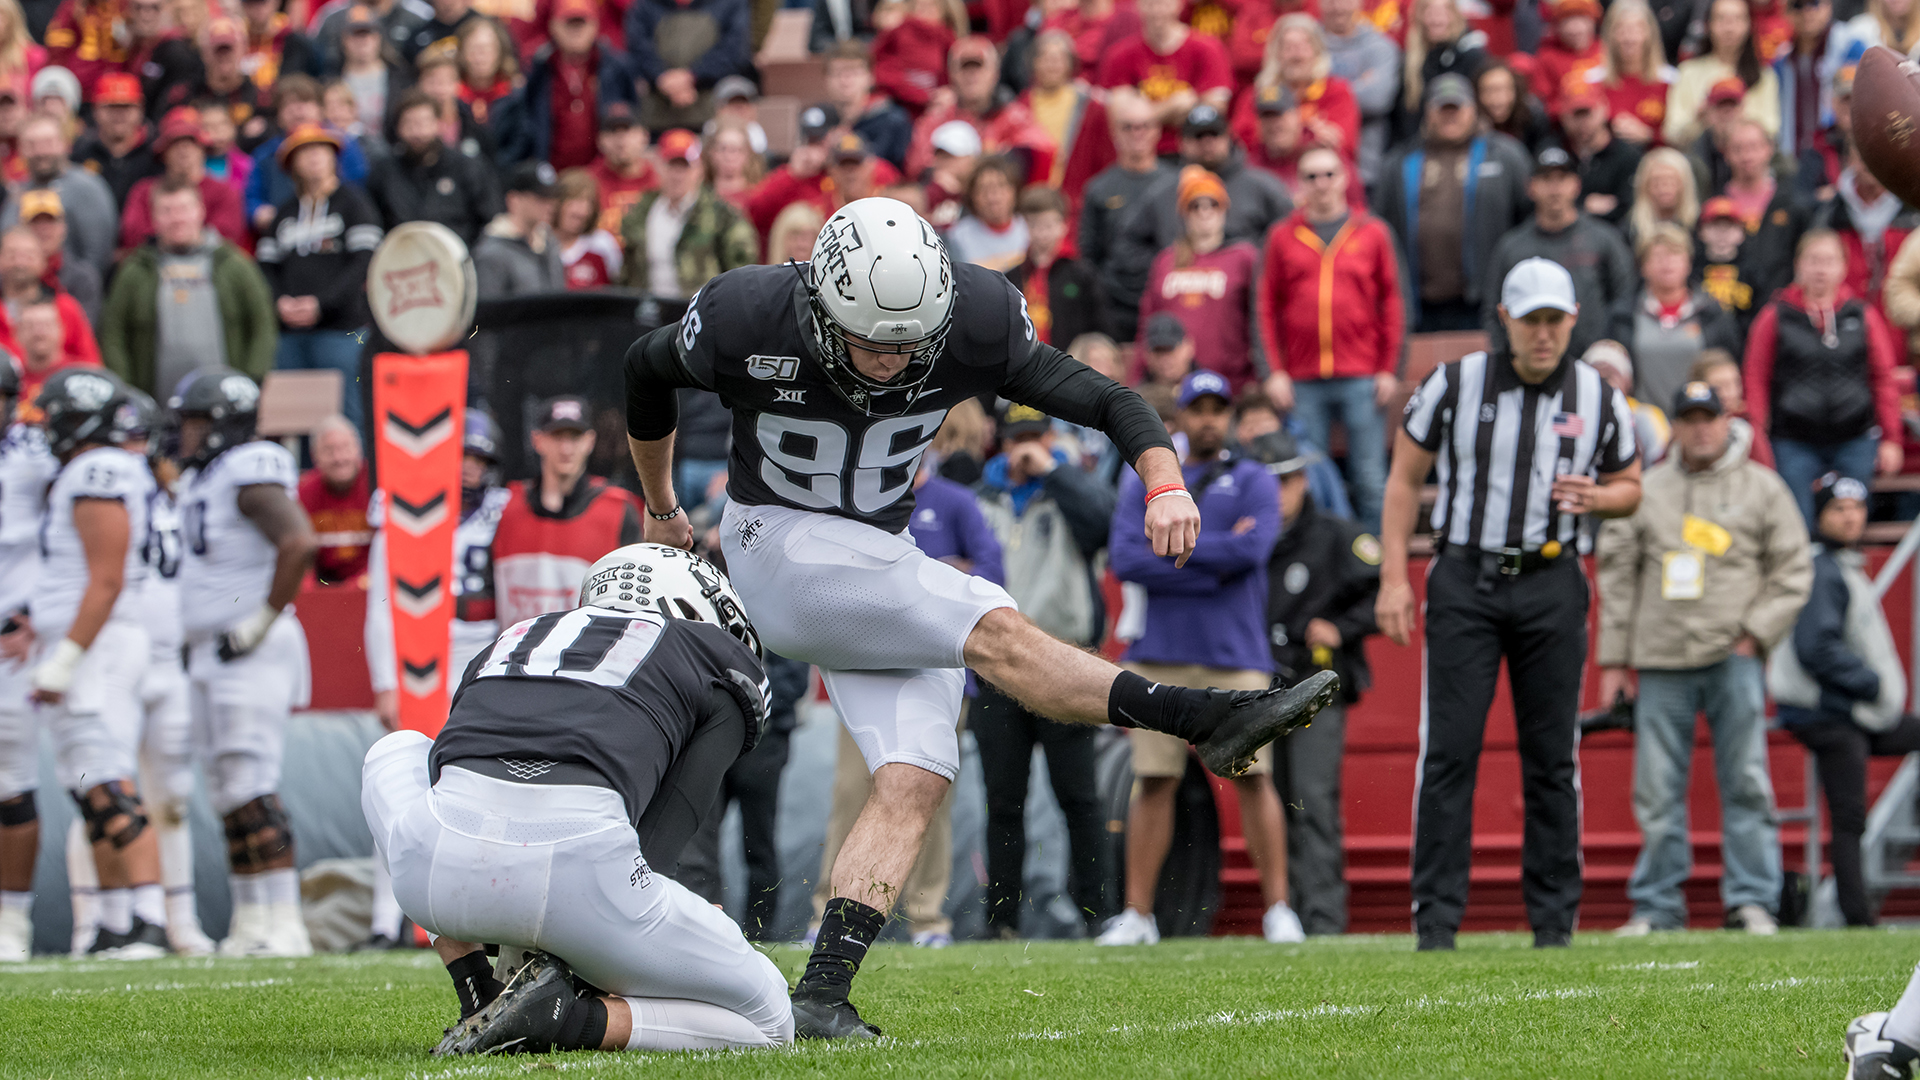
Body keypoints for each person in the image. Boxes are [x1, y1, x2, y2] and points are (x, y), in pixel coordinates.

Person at [622, 196, 1337, 1036]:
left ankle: (821, 996)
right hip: (776, 543)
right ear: (819, 305)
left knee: (918, 773)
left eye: (908, 344)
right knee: (989, 622)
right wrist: (663, 505)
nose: (890, 361)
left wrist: (1165, 479)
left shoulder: (978, 315)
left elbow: (1111, 400)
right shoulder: (749, 311)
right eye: (870, 341)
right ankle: (1203, 718)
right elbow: (645, 368)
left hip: (875, 561)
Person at [365, 544, 792, 1055]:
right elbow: (660, 842)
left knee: (394, 749)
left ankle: (478, 988)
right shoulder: (715, 655)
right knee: (771, 1020)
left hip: (435, 871)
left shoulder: (516, 634)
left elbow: (451, 767)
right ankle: (563, 1019)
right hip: (583, 869)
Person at [1381, 258, 1643, 950]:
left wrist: (1600, 498)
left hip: (1554, 582)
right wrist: (1392, 578)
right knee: (1450, 752)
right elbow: (1404, 479)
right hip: (1465, 578)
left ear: (1573, 319)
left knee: (1552, 756)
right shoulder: (1455, 383)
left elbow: (1631, 485)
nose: (1545, 334)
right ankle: (1436, 921)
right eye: (1532, 321)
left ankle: (1554, 923)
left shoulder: (1597, 395)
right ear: (1506, 320)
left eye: (1556, 320)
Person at [1597, 379, 1810, 936]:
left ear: (1726, 420)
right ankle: (1657, 906)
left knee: (1745, 780)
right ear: (1676, 426)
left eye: (1707, 417)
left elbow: (1793, 569)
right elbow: (1617, 576)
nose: (1699, 428)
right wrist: (1614, 662)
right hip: (1660, 657)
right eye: (1688, 418)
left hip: (1731, 655)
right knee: (1656, 788)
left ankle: (1752, 901)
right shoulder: (1645, 489)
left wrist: (1756, 634)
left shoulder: (1761, 487)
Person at [1102, 368, 1301, 947]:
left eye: (1219, 408)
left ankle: (1279, 909)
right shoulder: (1149, 477)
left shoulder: (1257, 478)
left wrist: (1174, 556)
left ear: (1231, 416)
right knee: (1153, 780)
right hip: (1161, 654)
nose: (1209, 418)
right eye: (1199, 408)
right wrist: (1213, 561)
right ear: (1182, 417)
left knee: (1254, 779)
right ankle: (1139, 914)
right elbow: (1125, 558)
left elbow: (1253, 550)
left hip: (1234, 653)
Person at [21, 369, 172, 958]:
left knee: (109, 779)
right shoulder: (95, 469)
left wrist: (65, 657)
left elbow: (106, 579)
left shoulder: (96, 469)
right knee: (88, 787)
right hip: (94, 642)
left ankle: (150, 917)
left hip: (100, 647)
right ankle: (115, 921)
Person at [170, 367, 319, 957]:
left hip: (248, 645)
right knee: (228, 789)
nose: (185, 433)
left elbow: (299, 541)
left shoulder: (248, 466)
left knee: (253, 783)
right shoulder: (206, 476)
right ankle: (251, 919)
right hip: (214, 648)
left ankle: (284, 919)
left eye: (195, 421)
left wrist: (258, 620)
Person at [972, 403, 1115, 939]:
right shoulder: (982, 499)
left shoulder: (1072, 489)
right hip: (997, 667)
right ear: (1002, 443)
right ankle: (1000, 922)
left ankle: (1102, 915)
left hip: (1063, 661)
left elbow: (1107, 521)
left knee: (1078, 796)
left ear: (1052, 439)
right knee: (1003, 801)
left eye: (1036, 438)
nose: (1025, 449)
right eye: (1017, 439)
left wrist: (1055, 470)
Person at [1777, 474, 1918, 934]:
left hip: (1849, 711)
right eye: (1838, 509)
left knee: (1850, 813)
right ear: (1819, 516)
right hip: (1833, 713)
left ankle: (1856, 910)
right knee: (1849, 814)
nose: (1851, 516)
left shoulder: (1839, 565)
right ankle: (1857, 917)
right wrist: (1871, 684)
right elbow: (1815, 648)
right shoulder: (1823, 569)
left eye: (1857, 509)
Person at [1253, 429, 1379, 937]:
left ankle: (1324, 919)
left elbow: (1381, 594)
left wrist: (1341, 628)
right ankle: (1287, 915)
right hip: (1259, 690)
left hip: (1317, 687)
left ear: (1303, 481)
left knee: (1311, 801)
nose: (1278, 493)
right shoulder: (1246, 539)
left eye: (1287, 481)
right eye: (1269, 484)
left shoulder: (1337, 536)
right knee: (1275, 802)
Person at [1258, 146, 1401, 531]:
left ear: (1344, 178)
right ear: (1299, 184)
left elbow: (1394, 303)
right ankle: (1329, 570)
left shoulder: (1373, 232)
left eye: (1328, 175)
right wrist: (1274, 370)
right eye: (1311, 176)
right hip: (1302, 379)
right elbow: (1265, 307)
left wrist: (1389, 368)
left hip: (1362, 374)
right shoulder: (1282, 236)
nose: (1321, 184)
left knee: (1370, 479)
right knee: (1314, 481)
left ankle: (1373, 568)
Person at [1744, 229, 1904, 525]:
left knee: (1847, 522)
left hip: (1854, 437)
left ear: (1843, 267)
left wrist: (1891, 438)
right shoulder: (1775, 315)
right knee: (1796, 521)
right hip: (1793, 439)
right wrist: (1758, 435)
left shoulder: (1862, 314)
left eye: (1829, 261)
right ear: (1798, 265)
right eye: (1813, 260)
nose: (1820, 269)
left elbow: (1883, 378)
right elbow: (1756, 379)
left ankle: (1844, 570)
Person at [1373, 73, 1534, 334]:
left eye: (1457, 108)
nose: (1450, 117)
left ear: (1473, 110)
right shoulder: (1400, 162)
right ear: (1428, 112)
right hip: (1419, 303)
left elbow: (1529, 222)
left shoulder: (1505, 155)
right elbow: (1381, 227)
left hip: (1485, 301)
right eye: (1442, 109)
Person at [255, 124, 380, 435]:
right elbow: (266, 269)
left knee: (347, 419)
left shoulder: (355, 204)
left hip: (342, 331)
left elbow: (364, 263)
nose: (313, 157)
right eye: (304, 152)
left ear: (333, 158)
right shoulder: (284, 214)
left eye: (320, 150)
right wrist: (279, 302)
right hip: (290, 336)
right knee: (293, 423)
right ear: (290, 164)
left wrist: (321, 304)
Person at [100, 183, 277, 401]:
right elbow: (113, 332)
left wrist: (251, 379)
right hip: (153, 404)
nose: (177, 218)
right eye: (166, 211)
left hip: (225, 403)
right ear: (154, 218)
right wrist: (126, 390)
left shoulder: (234, 264)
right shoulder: (135, 270)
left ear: (200, 211)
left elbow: (262, 324)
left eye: (184, 209)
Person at [492, 395, 642, 628]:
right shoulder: (505, 507)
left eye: (574, 437)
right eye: (557, 436)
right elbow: (486, 596)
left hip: (587, 659)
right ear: (537, 440)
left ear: (590, 441)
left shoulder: (619, 510)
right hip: (512, 656)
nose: (566, 448)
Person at [1483, 146, 1640, 359]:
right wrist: (1508, 359)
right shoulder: (1511, 247)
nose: (1555, 188)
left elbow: (1624, 299)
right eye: (1546, 179)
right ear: (1531, 187)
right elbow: (1493, 312)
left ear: (1576, 185)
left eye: (1562, 179)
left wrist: (1613, 351)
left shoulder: (1604, 239)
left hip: (1594, 361)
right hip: (1529, 364)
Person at [0, 358, 54, 962]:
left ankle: (10, 923)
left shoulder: (36, 455)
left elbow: (70, 537)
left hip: (11, 638)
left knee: (11, 784)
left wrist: (38, 615)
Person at [1135, 167, 1267, 397]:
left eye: (1212, 204)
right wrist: (1137, 378)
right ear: (1184, 213)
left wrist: (1260, 375)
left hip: (1232, 383)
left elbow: (1261, 319)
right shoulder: (1166, 261)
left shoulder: (1244, 258)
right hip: (1170, 387)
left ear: (1224, 210)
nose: (1204, 212)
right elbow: (1147, 322)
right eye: (1195, 205)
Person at [1605, 223, 1742, 412]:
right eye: (1658, 256)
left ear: (1689, 263)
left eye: (1675, 254)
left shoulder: (1712, 313)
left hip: (1700, 421)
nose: (1667, 263)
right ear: (1642, 266)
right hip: (1642, 422)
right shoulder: (1623, 315)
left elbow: (1730, 368)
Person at [1079, 89, 1176, 342]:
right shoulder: (1098, 188)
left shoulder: (1177, 184)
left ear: (1157, 131)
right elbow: (1089, 254)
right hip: (1114, 306)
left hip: (1167, 302)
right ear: (1114, 133)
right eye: (1128, 127)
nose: (1137, 133)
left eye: (1144, 126)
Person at [492, 0, 637, 170]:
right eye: (569, 23)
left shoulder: (617, 68)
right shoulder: (536, 69)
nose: (576, 31)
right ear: (553, 26)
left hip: (602, 174)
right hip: (550, 173)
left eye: (581, 23)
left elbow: (634, 117)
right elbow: (524, 122)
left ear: (595, 25)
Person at [616, 129, 757, 299]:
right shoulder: (640, 213)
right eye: (671, 165)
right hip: (649, 312)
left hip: (701, 314)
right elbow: (626, 273)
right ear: (658, 167)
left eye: (684, 167)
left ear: (699, 170)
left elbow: (743, 271)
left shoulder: (723, 215)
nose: (677, 175)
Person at [903, 35, 1056, 185]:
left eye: (978, 67)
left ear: (995, 73)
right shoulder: (937, 119)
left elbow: (1043, 149)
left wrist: (977, 166)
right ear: (952, 75)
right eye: (964, 68)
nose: (972, 76)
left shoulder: (1014, 116)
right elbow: (916, 165)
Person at [1094, 0, 1230, 157]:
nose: (1157, 10)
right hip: (1143, 157)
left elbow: (1213, 112)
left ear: (1179, 4)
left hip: (1193, 155)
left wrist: (1144, 111)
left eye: (1164, 3)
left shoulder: (1208, 49)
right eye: (1150, 3)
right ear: (1138, 5)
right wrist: (1173, 106)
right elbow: (1120, 121)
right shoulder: (1119, 56)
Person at [365, 90, 498, 247]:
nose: (417, 132)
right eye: (409, 123)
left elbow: (490, 220)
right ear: (398, 128)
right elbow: (373, 222)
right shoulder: (384, 170)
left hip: (459, 257)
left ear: (439, 124)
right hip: (402, 259)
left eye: (423, 123)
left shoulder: (467, 166)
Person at [244, 74, 371, 235]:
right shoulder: (265, 154)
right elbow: (252, 199)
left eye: (305, 102)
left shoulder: (343, 143)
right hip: (284, 230)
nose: (297, 110)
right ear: (278, 115)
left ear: (320, 109)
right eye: (288, 104)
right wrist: (258, 212)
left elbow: (358, 185)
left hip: (337, 225)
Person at [3, 112, 115, 280]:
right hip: (21, 289)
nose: (40, 152)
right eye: (32, 144)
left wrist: (81, 288)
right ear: (21, 149)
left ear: (64, 144)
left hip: (71, 290)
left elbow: (98, 253)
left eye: (47, 143)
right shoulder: (16, 192)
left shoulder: (86, 188)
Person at [116, 112, 250, 251]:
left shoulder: (225, 192)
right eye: (175, 143)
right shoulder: (143, 191)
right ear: (163, 152)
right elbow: (133, 237)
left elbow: (227, 239)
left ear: (203, 148)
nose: (183, 149)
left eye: (191, 142)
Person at [1664, 0, 1780, 147]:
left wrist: (1739, 118)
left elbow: (1772, 131)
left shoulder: (1764, 75)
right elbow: (1671, 133)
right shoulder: (1688, 71)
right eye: (1721, 19)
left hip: (1747, 159)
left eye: (1737, 19)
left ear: (1749, 25)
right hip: (1699, 158)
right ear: (1708, 24)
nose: (1729, 27)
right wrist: (1700, 118)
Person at [625, 0, 752, 132]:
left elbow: (734, 50)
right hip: (655, 115)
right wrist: (661, 76)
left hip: (712, 117)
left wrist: (692, 76)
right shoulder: (645, 5)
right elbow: (637, 46)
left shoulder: (730, 3)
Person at [1005, 184, 1105, 349]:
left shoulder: (1082, 275)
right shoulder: (1011, 278)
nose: (1042, 233)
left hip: (1069, 363)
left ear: (1064, 226)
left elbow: (1099, 327)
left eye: (1049, 225)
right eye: (1034, 225)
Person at [1320, 0, 1401, 187]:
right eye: (1331, 2)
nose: (1338, 7)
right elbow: (1293, 99)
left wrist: (1323, 94)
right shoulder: (1304, 42)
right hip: (1309, 170)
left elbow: (1376, 99)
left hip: (1365, 170)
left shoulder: (1381, 46)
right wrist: (1358, 84)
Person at [0, 227, 96, 370]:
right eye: (12, 255)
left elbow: (91, 365)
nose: (20, 263)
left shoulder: (65, 309)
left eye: (28, 256)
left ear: (43, 261)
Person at [1397, 0, 1488, 140]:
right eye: (1429, 13)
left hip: (1465, 141)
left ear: (1455, 16)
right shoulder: (1410, 61)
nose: (1435, 20)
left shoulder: (1471, 56)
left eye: (1442, 13)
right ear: (1419, 18)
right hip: (1419, 143)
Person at [298, 415, 372, 585]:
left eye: (345, 448)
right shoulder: (303, 493)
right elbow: (300, 555)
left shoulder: (376, 486)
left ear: (359, 450)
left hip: (370, 584)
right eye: (329, 450)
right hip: (323, 584)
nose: (339, 458)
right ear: (314, 456)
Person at [473, 160, 564, 299]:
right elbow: (487, 313)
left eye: (552, 197)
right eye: (540, 197)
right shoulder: (492, 253)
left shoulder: (550, 243)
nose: (549, 205)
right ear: (514, 199)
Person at [70, 73, 161, 209]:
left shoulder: (156, 155)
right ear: (95, 110)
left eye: (126, 107)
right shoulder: (79, 155)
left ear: (140, 110)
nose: (118, 115)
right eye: (111, 107)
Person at [823, 39, 912, 173]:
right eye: (837, 72)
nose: (845, 80)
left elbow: (897, 175)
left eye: (853, 72)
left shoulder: (892, 120)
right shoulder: (820, 119)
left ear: (870, 77)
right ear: (826, 80)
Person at [1595, 0, 1673, 148]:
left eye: (1637, 29)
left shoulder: (1671, 81)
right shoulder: (1594, 80)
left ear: (1650, 33)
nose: (1629, 38)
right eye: (1621, 29)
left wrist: (1649, 135)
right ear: (1609, 34)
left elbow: (1680, 137)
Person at [1561, 88, 1642, 226]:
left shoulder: (1627, 155)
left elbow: (1629, 206)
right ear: (1564, 118)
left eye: (1588, 114)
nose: (1582, 123)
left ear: (1604, 110)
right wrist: (1583, 205)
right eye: (1576, 115)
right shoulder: (1559, 152)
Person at [19, 190, 96, 322]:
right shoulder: (8, 276)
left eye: (50, 220)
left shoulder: (82, 278)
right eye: (35, 222)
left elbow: (84, 329)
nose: (43, 228)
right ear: (21, 228)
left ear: (64, 227)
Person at [945, 156, 1029, 270]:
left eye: (1000, 186)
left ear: (1014, 190)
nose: (992, 197)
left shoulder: (1029, 230)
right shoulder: (956, 238)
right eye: (983, 189)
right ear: (972, 196)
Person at [1625, 146, 1700, 249]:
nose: (1664, 189)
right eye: (1656, 182)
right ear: (1645, 186)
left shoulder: (1700, 226)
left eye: (1671, 181)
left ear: (1684, 185)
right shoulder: (1630, 229)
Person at [1476, 59, 1553, 157]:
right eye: (1489, 90)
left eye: (1503, 89)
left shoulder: (1534, 121)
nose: (1497, 99)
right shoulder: (1471, 128)